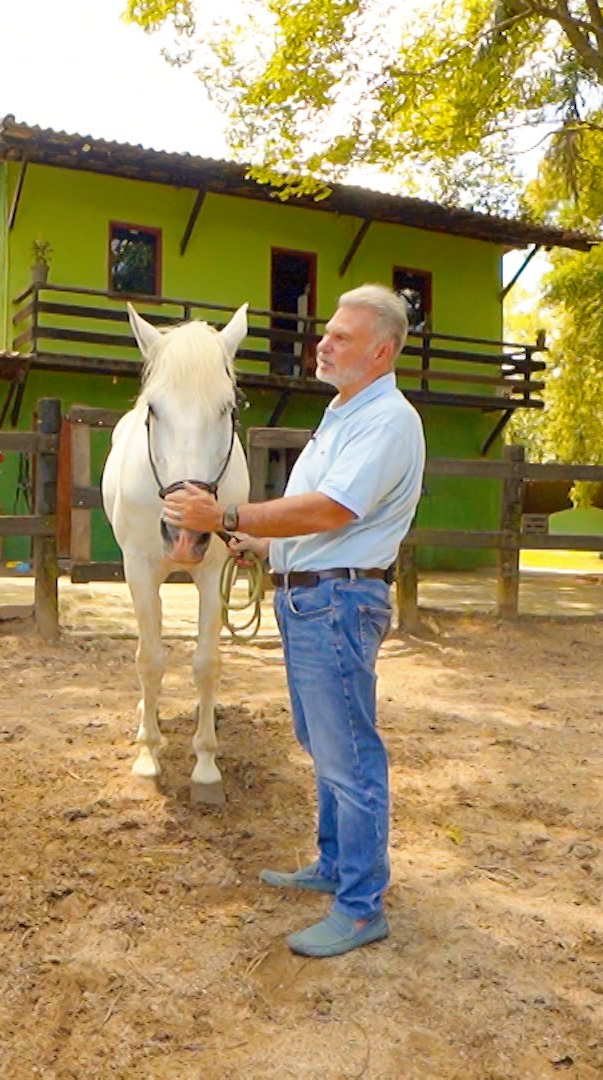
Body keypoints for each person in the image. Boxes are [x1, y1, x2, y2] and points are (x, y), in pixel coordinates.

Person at [162, 284, 425, 958]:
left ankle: (362, 906)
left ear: (382, 351)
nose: (324, 343)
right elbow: (310, 517)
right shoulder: (342, 415)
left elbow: (331, 509)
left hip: (337, 601)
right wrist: (261, 546)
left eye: (341, 336)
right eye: (327, 332)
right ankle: (337, 867)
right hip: (313, 596)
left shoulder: (387, 420)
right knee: (323, 742)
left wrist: (224, 518)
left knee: (348, 755)